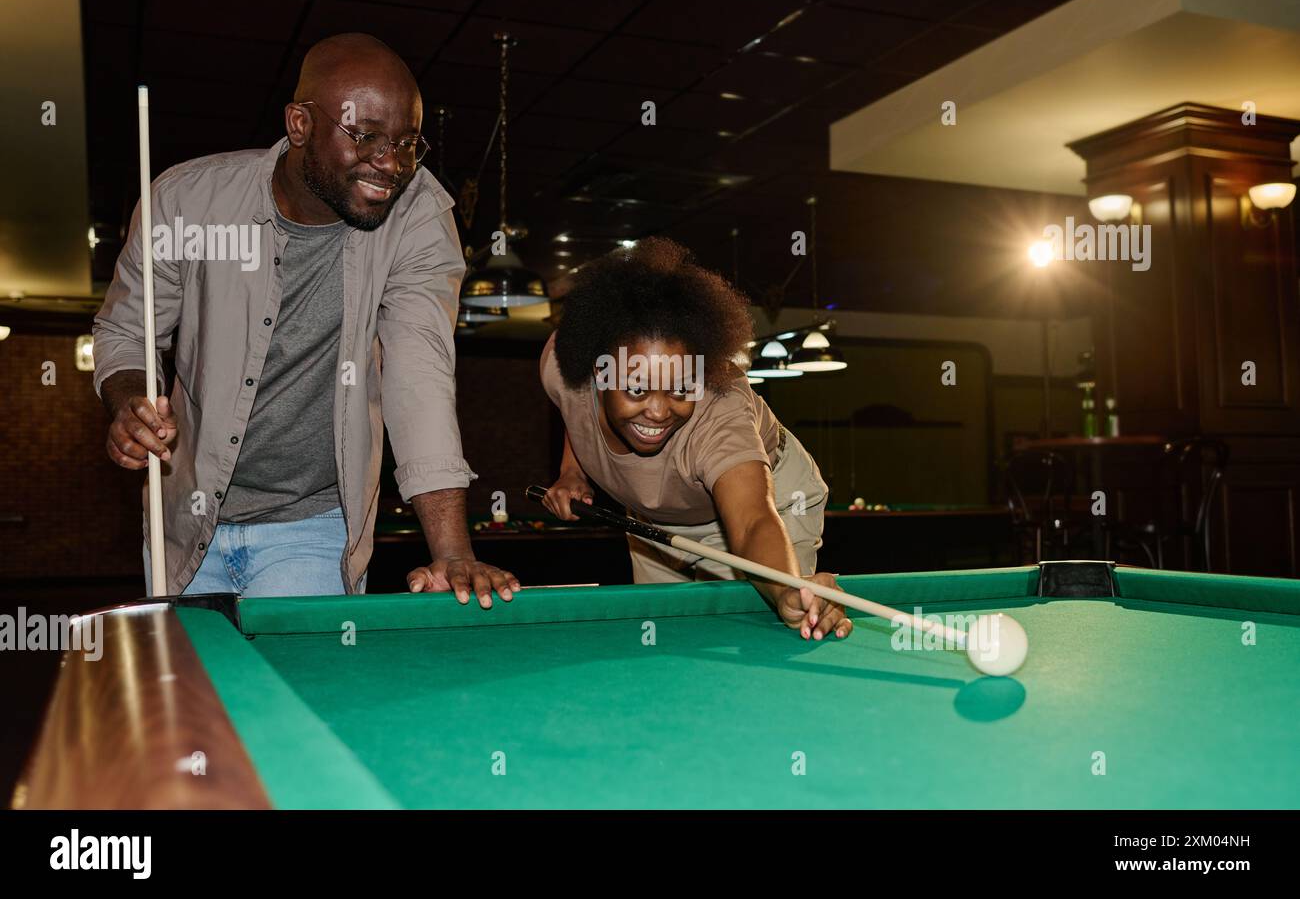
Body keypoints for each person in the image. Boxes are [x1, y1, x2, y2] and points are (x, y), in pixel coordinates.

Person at [94, 33, 518, 607]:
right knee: (193, 696)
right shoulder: (184, 203)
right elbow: (127, 332)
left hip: (314, 528)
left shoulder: (419, 216)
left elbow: (419, 375)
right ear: (299, 124)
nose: (391, 164)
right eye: (366, 137)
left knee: (296, 694)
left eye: (408, 144)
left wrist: (451, 549)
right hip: (185, 513)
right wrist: (127, 401)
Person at [540, 238, 852, 640]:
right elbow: (575, 413)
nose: (658, 411)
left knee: (752, 635)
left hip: (770, 502)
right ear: (599, 377)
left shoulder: (721, 413)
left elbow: (753, 520)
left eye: (678, 389)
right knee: (659, 636)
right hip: (653, 515)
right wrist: (572, 471)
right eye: (637, 389)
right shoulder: (564, 369)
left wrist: (790, 591)